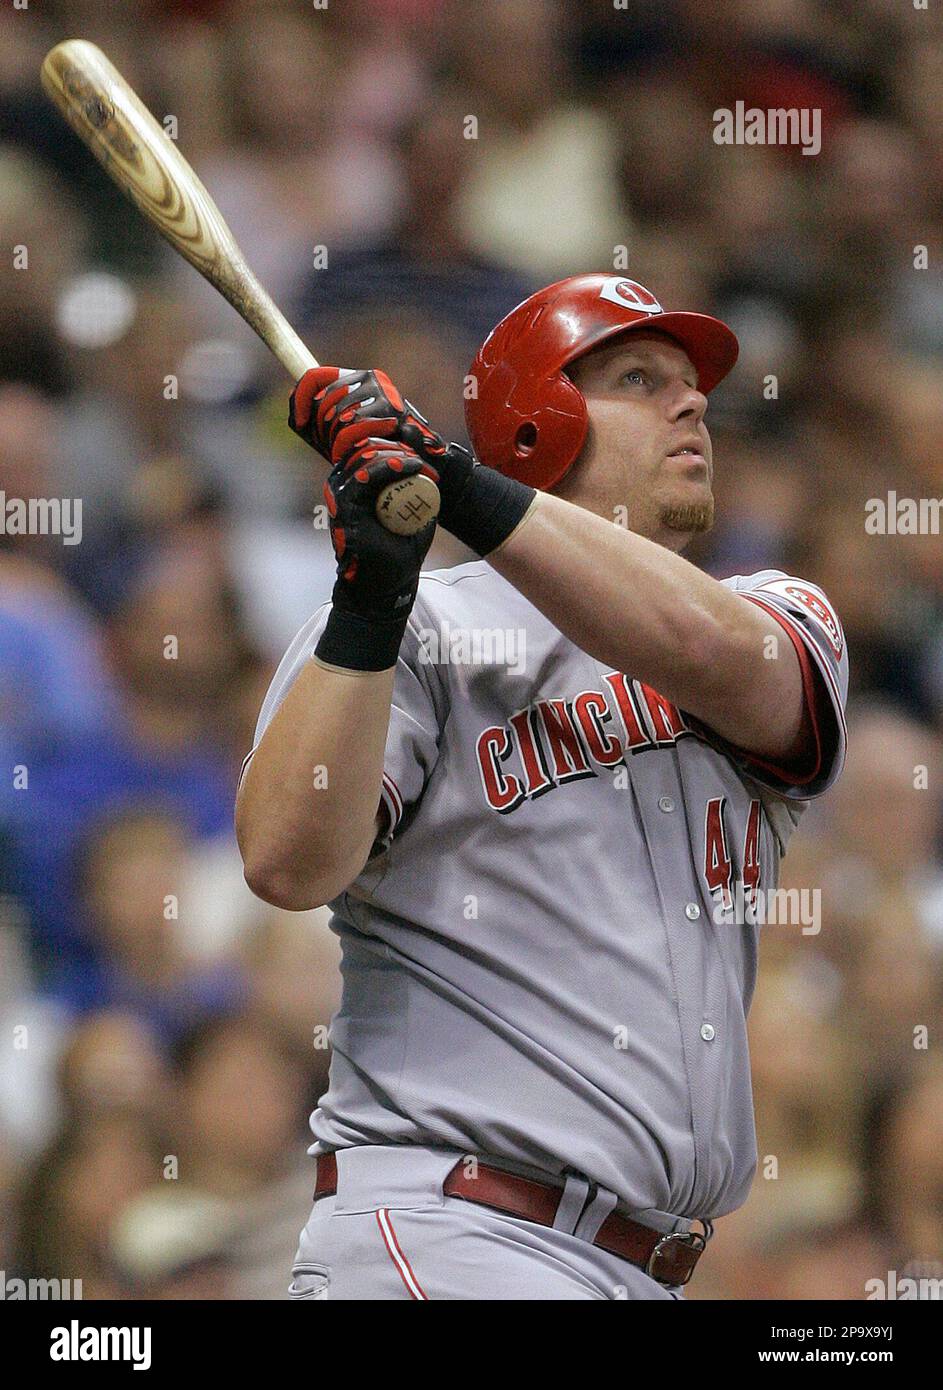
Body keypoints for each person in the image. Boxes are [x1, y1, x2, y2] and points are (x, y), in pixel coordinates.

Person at [236, 273, 848, 1300]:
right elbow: (286, 862)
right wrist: (370, 598)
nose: (692, 403)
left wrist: (451, 480)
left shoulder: (772, 608)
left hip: (641, 1264)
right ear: (534, 425)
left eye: (693, 386)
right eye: (638, 378)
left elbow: (707, 649)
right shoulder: (420, 624)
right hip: (451, 1230)